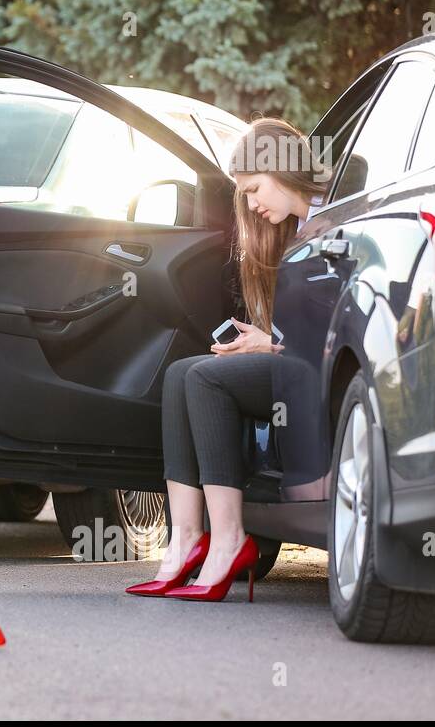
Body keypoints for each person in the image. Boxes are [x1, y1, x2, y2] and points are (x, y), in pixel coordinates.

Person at [126, 118, 327, 601]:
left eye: (255, 189)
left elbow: (335, 332)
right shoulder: (290, 229)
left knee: (206, 381)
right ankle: (187, 538)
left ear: (284, 169)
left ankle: (231, 538)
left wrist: (270, 345)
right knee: (180, 374)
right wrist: (263, 337)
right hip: (292, 361)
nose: (253, 204)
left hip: (314, 374)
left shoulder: (335, 223)